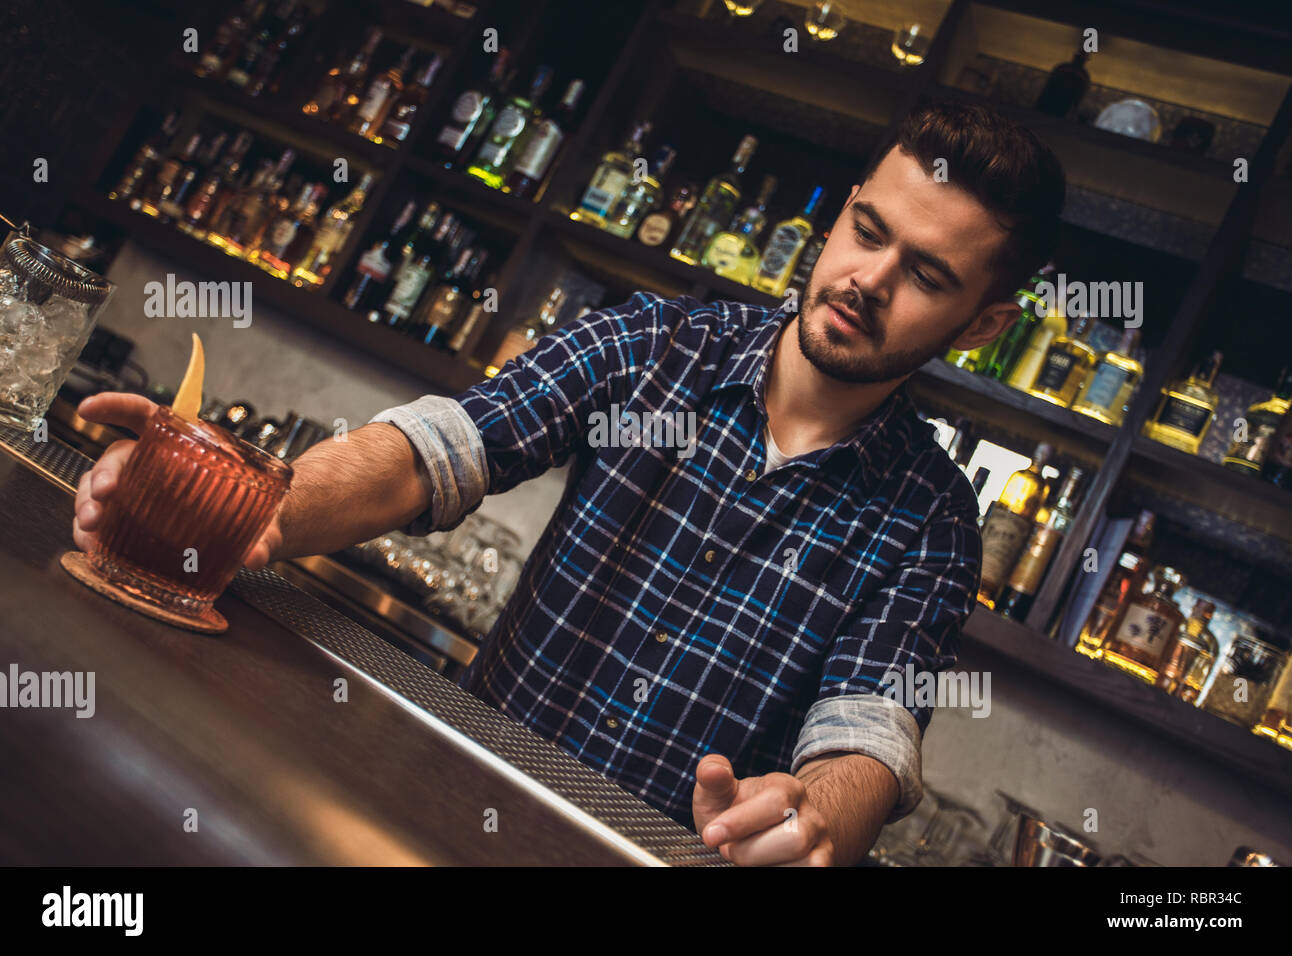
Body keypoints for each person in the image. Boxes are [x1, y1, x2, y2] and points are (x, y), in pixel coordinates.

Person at [73, 99, 1065, 866]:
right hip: (437, 805)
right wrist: (246, 505)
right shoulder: (655, 345)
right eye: (865, 228)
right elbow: (439, 448)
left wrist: (814, 819)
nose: (866, 278)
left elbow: (868, 740)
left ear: (980, 324)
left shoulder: (928, 520)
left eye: (926, 274)